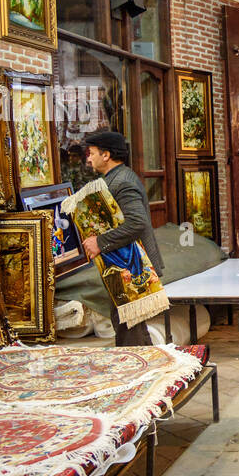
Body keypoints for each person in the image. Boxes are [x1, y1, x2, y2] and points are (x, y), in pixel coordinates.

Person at [81, 130, 164, 347]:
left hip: (133, 266)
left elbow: (137, 222)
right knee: (127, 325)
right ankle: (144, 369)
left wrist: (99, 242)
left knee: (130, 329)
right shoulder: (117, 177)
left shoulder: (122, 181)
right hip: (124, 264)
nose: (89, 159)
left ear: (106, 155)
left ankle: (143, 373)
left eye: (91, 153)